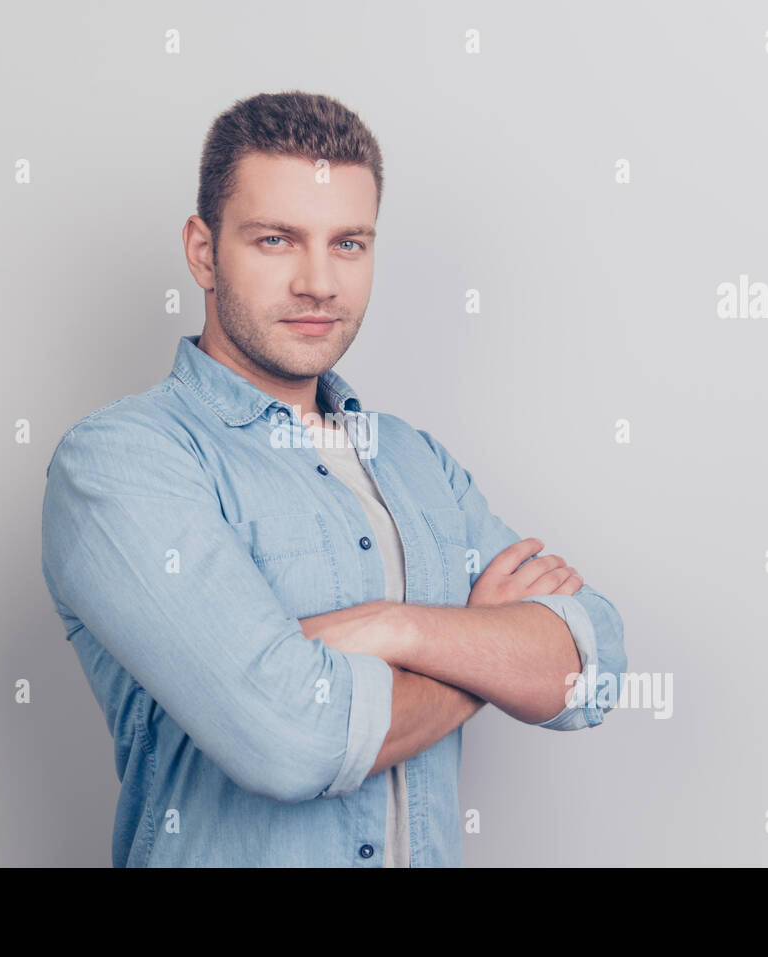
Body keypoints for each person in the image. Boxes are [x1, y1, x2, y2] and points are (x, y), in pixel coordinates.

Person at [40, 90, 626, 867]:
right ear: (203, 250)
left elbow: (594, 667)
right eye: (277, 239)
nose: (319, 282)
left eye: (349, 243)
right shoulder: (123, 461)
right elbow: (290, 740)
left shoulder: (417, 462)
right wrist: (485, 652)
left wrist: (398, 625)